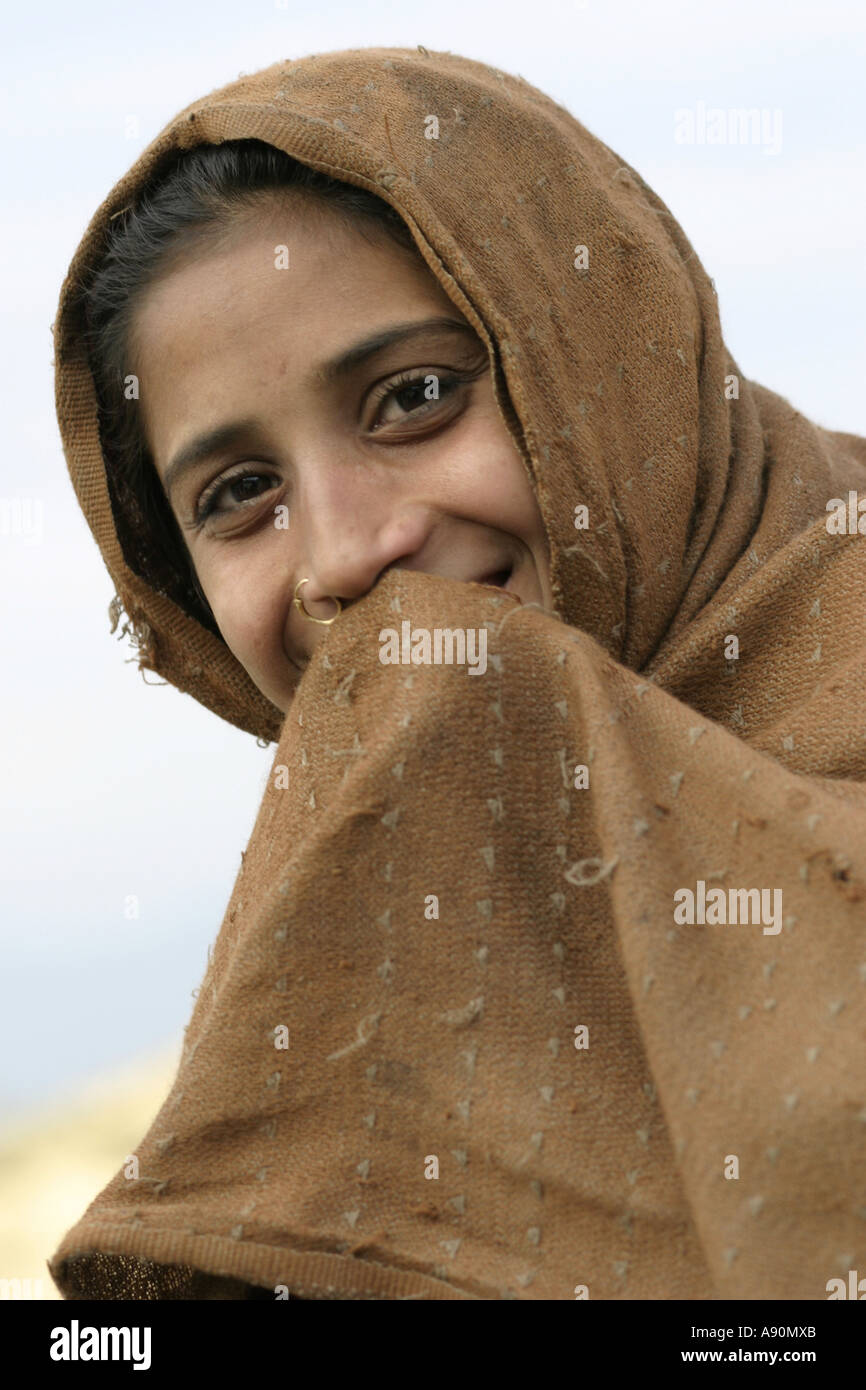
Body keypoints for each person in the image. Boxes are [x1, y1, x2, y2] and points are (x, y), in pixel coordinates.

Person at [49, 47, 865, 1301]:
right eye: (239, 493)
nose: (346, 552)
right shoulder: (367, 947)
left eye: (413, 397)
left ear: (605, 347)